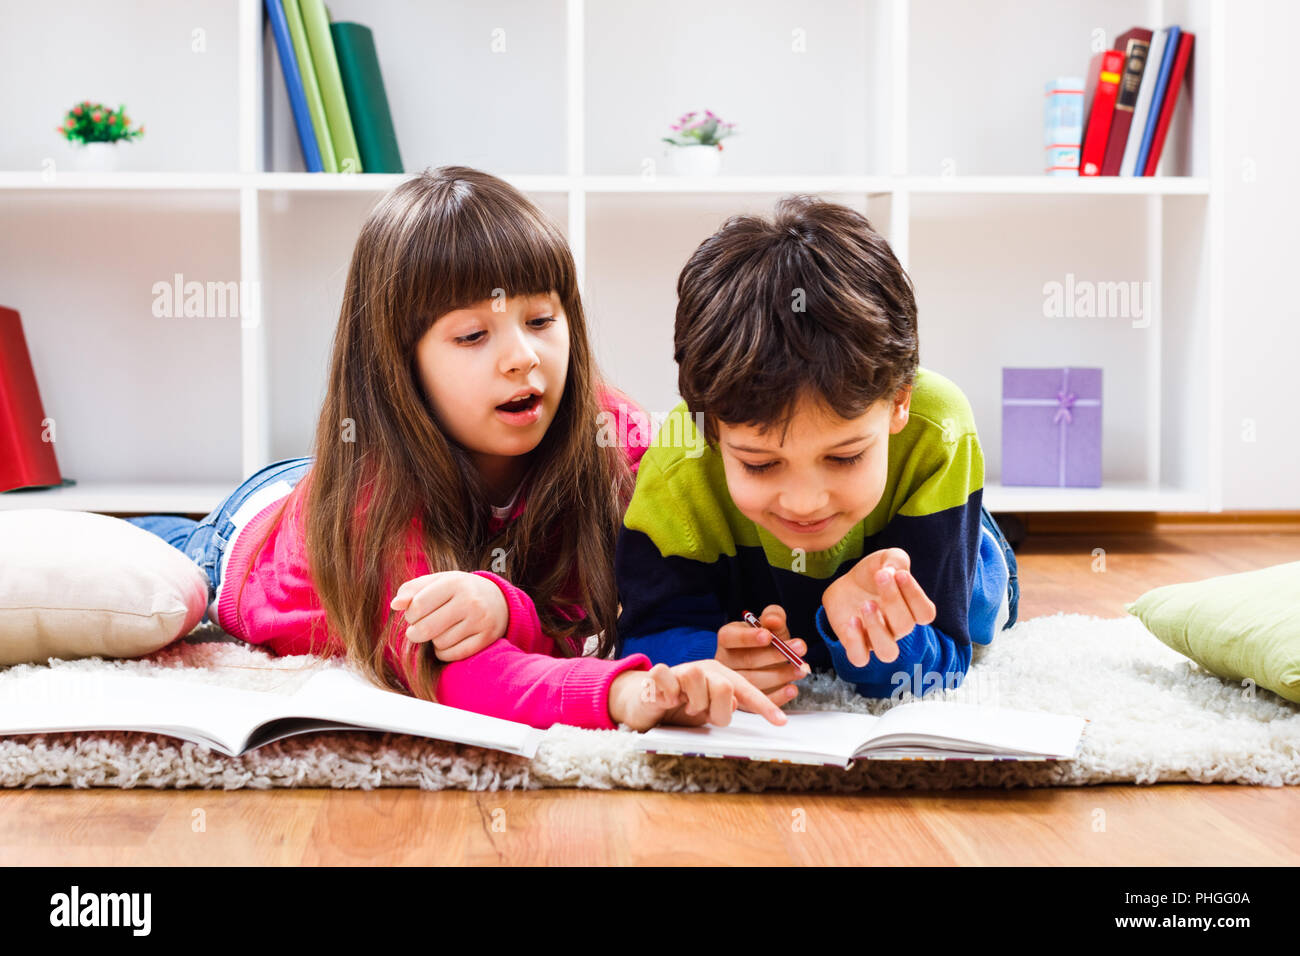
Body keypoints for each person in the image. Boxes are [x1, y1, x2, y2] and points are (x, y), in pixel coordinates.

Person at [127, 166, 785, 733]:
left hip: (333, 499)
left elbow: (693, 545)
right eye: (473, 335)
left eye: (540, 320)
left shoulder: (606, 433)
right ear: (398, 364)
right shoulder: (372, 497)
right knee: (132, 565)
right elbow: (460, 672)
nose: (521, 357)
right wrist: (622, 693)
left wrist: (731, 634)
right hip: (246, 542)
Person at [614, 195, 1020, 706]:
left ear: (899, 400)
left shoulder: (937, 431)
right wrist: (704, 655)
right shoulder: (679, 465)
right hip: (764, 587)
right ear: (710, 427)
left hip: (944, 545)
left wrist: (867, 631)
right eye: (759, 464)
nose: (804, 502)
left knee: (988, 610)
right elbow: (642, 639)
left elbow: (943, 665)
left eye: (845, 456)